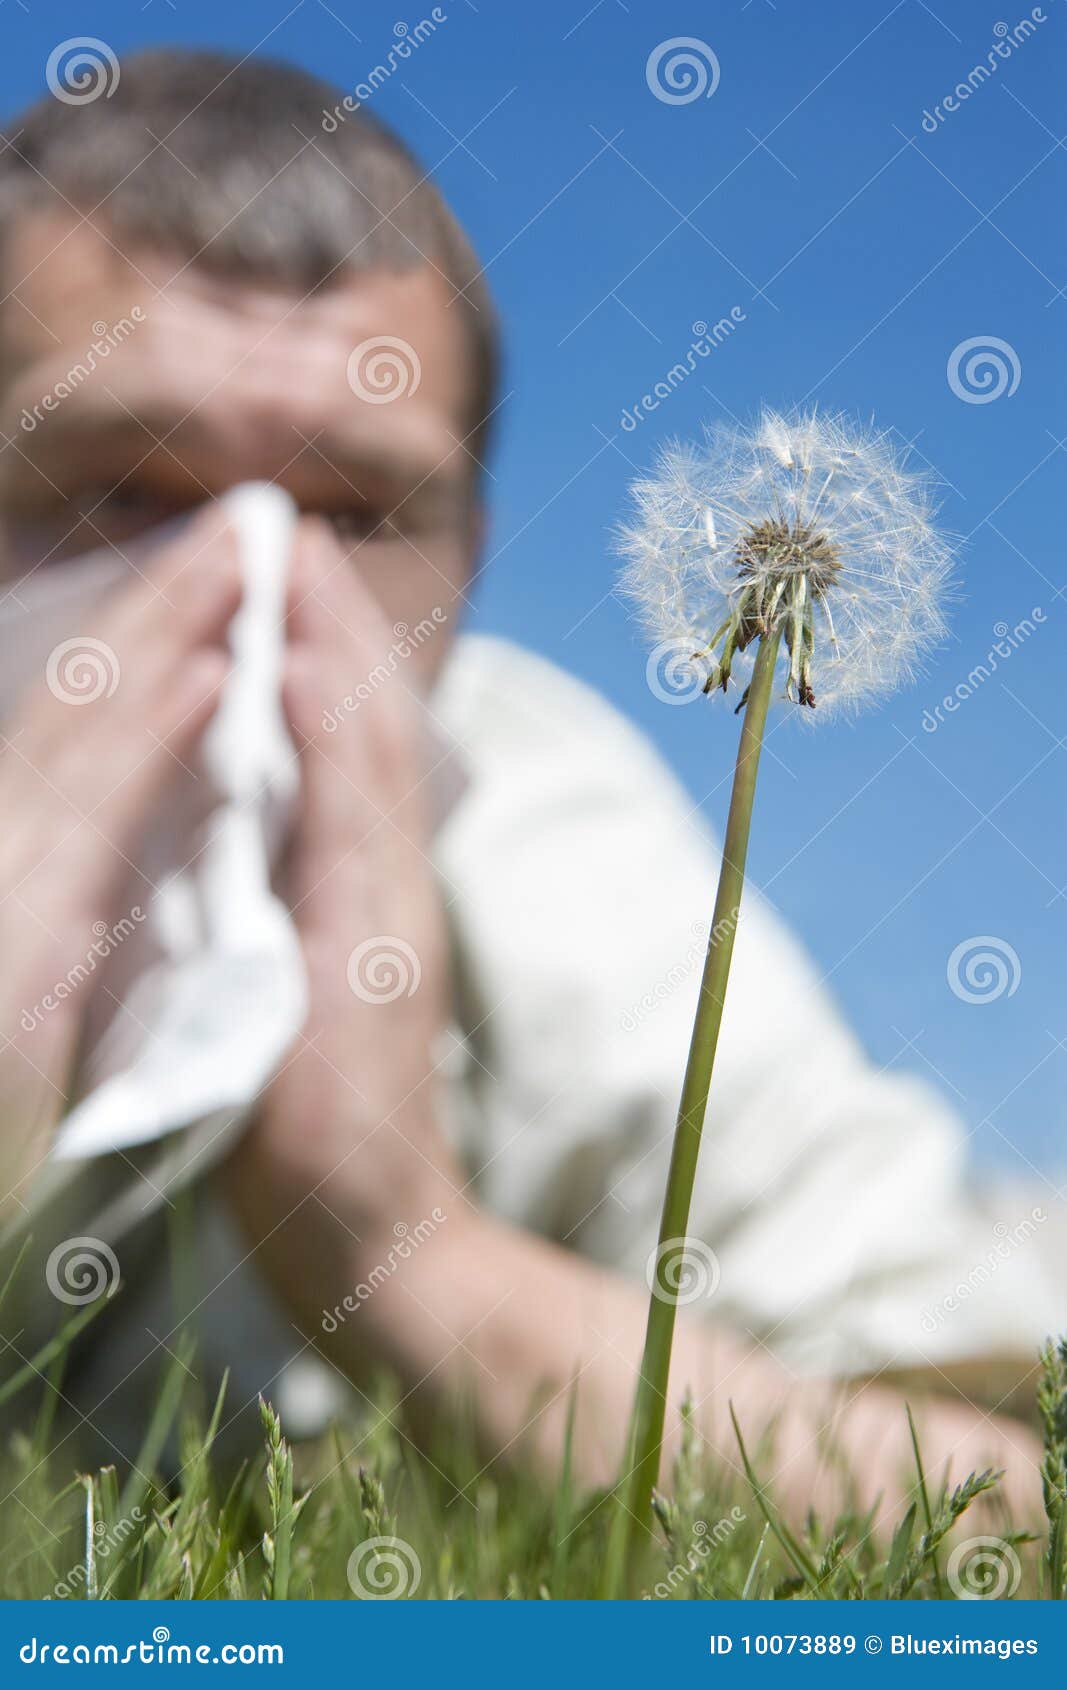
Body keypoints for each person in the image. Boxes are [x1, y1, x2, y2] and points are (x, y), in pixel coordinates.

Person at [0, 49, 1055, 1533]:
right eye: (120, 489)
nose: (245, 588)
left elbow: (999, 1501)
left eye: (357, 511)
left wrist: (409, 1246)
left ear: (470, 558)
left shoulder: (562, 854)